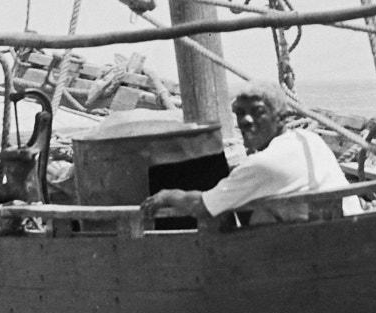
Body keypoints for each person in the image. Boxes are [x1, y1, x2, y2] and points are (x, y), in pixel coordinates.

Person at [146, 85, 359, 230]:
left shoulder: (261, 164)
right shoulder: (309, 137)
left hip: (317, 241)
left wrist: (168, 195)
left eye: (257, 112)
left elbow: (202, 206)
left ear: (281, 117)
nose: (245, 120)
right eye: (239, 112)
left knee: (250, 215)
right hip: (345, 227)